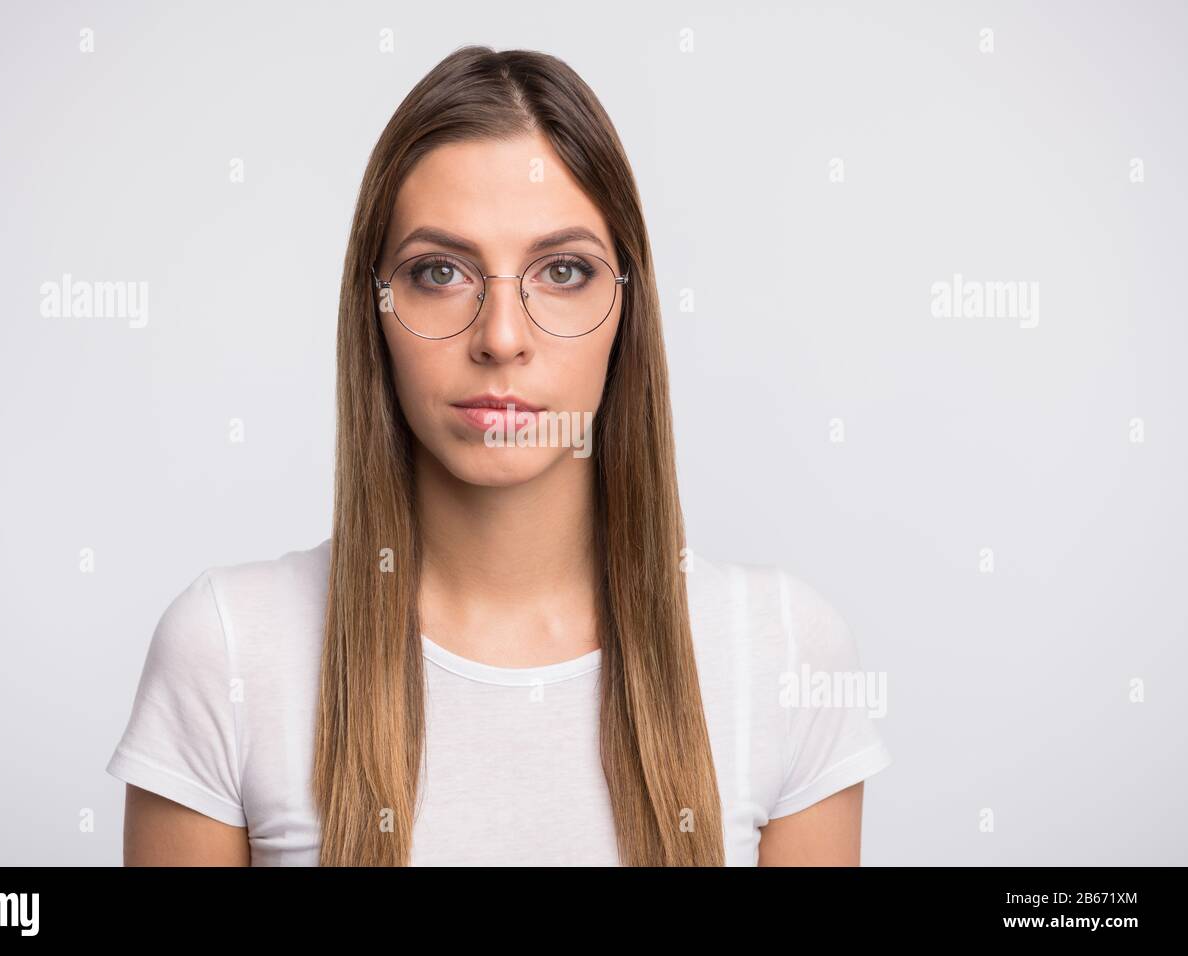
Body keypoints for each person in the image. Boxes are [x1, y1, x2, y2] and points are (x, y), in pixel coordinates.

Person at [106, 44, 892, 866]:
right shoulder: (229, 648)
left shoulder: (785, 650)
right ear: (372, 308)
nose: (502, 338)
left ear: (628, 305)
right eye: (439, 271)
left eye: (563, 270)